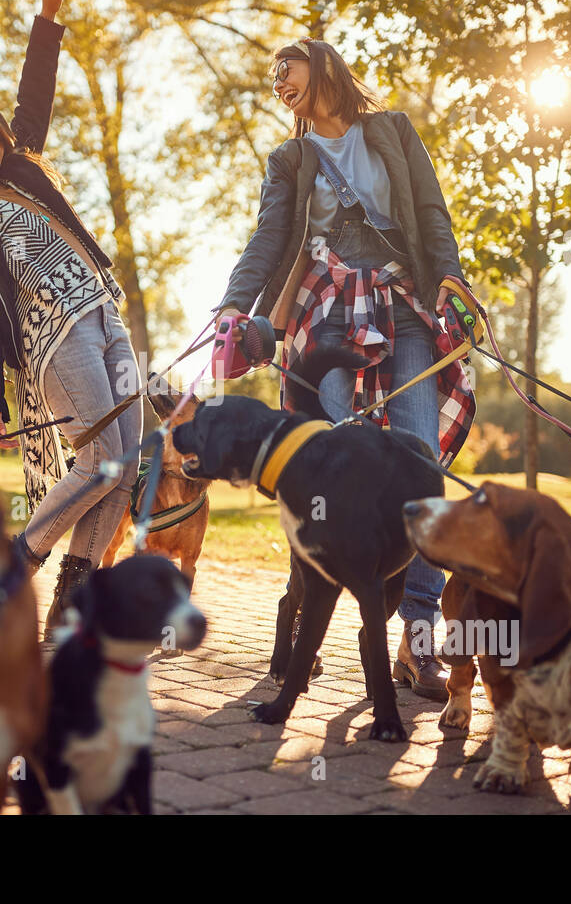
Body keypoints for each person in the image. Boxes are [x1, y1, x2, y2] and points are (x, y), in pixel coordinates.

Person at [212, 38, 477, 700]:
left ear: (323, 65)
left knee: (419, 460)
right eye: (274, 78)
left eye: (287, 69)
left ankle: (418, 641)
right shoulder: (290, 158)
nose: (279, 82)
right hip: (324, 311)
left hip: (404, 302)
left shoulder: (394, 131)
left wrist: (450, 277)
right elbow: (268, 237)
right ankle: (304, 624)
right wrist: (233, 305)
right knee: (333, 464)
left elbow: (431, 213)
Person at [0, 0, 140, 636]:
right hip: (54, 337)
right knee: (100, 462)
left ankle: (72, 605)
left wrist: (47, 20)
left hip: (103, 312)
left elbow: (33, 101)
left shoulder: (19, 171)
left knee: (125, 467)